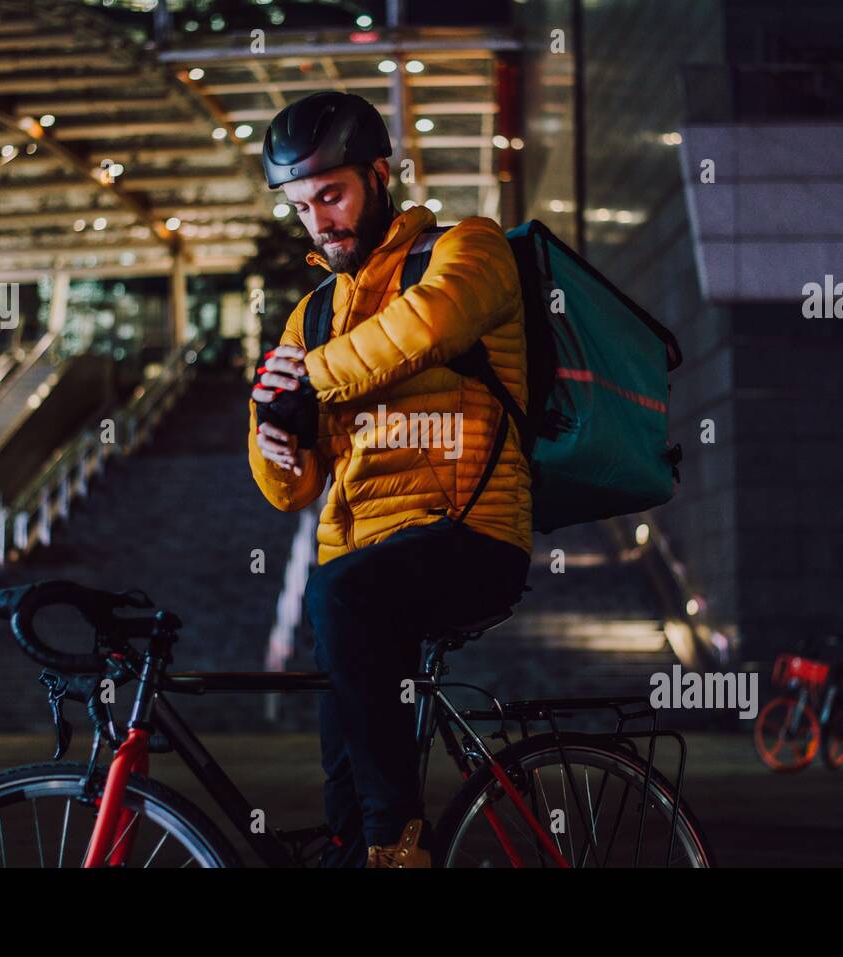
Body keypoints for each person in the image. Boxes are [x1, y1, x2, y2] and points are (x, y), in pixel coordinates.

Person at [248, 92, 533, 868]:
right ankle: (361, 840)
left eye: (332, 194)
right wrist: (278, 434)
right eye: (301, 207)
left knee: (342, 597)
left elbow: (433, 322)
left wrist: (311, 379)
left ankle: (397, 844)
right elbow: (290, 488)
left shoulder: (465, 248)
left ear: (380, 176)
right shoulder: (311, 317)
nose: (319, 221)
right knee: (338, 794)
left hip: (468, 534)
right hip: (363, 563)